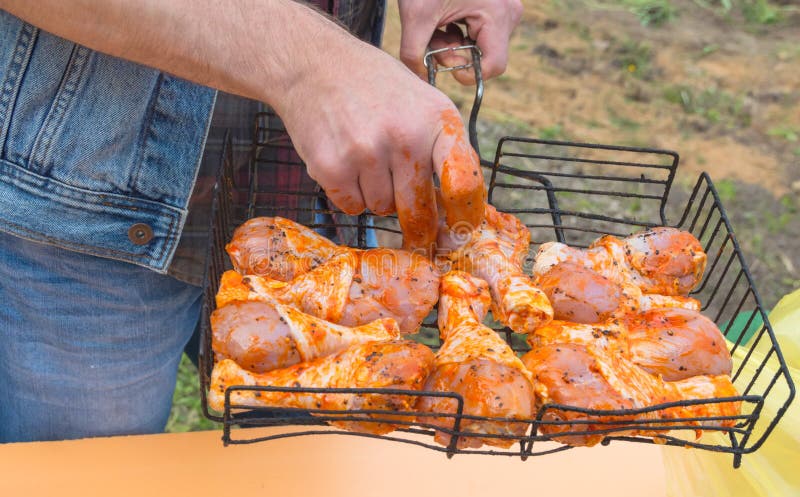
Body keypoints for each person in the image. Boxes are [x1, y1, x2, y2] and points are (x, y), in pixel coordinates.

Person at [0, 0, 522, 443]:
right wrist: (307, 65)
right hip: (90, 203)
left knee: (294, 468)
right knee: (90, 479)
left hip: (313, 206)